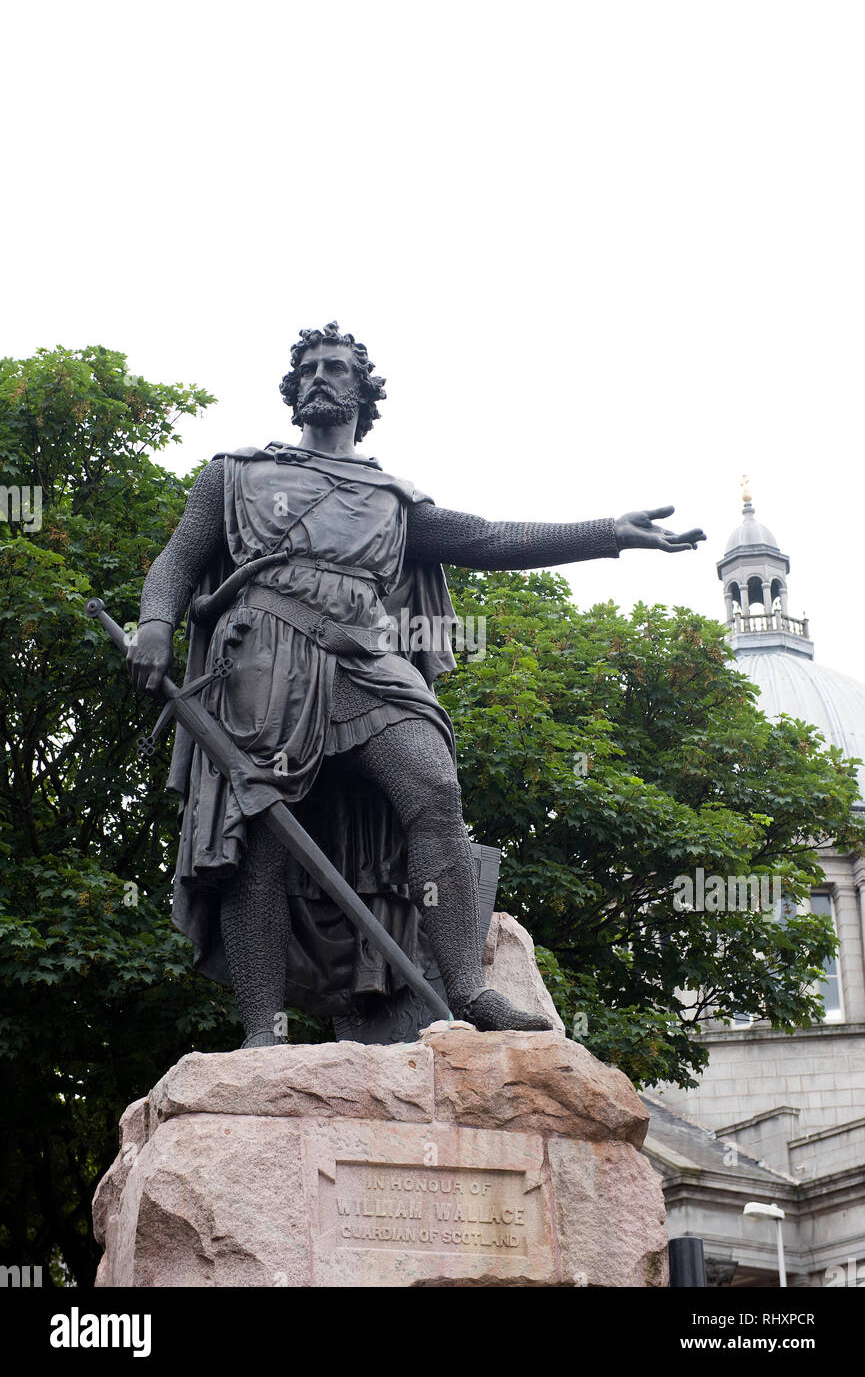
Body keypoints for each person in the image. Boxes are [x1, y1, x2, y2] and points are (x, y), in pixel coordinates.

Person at [128, 322, 705, 1045]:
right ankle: (262, 1032)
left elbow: (489, 539)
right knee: (260, 831)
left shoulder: (391, 499)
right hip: (264, 661)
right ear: (291, 388)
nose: (319, 376)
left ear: (363, 393)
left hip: (367, 660)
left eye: (336, 367)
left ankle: (468, 990)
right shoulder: (236, 472)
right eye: (307, 367)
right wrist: (155, 624)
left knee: (433, 792)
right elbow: (179, 557)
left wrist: (607, 532)